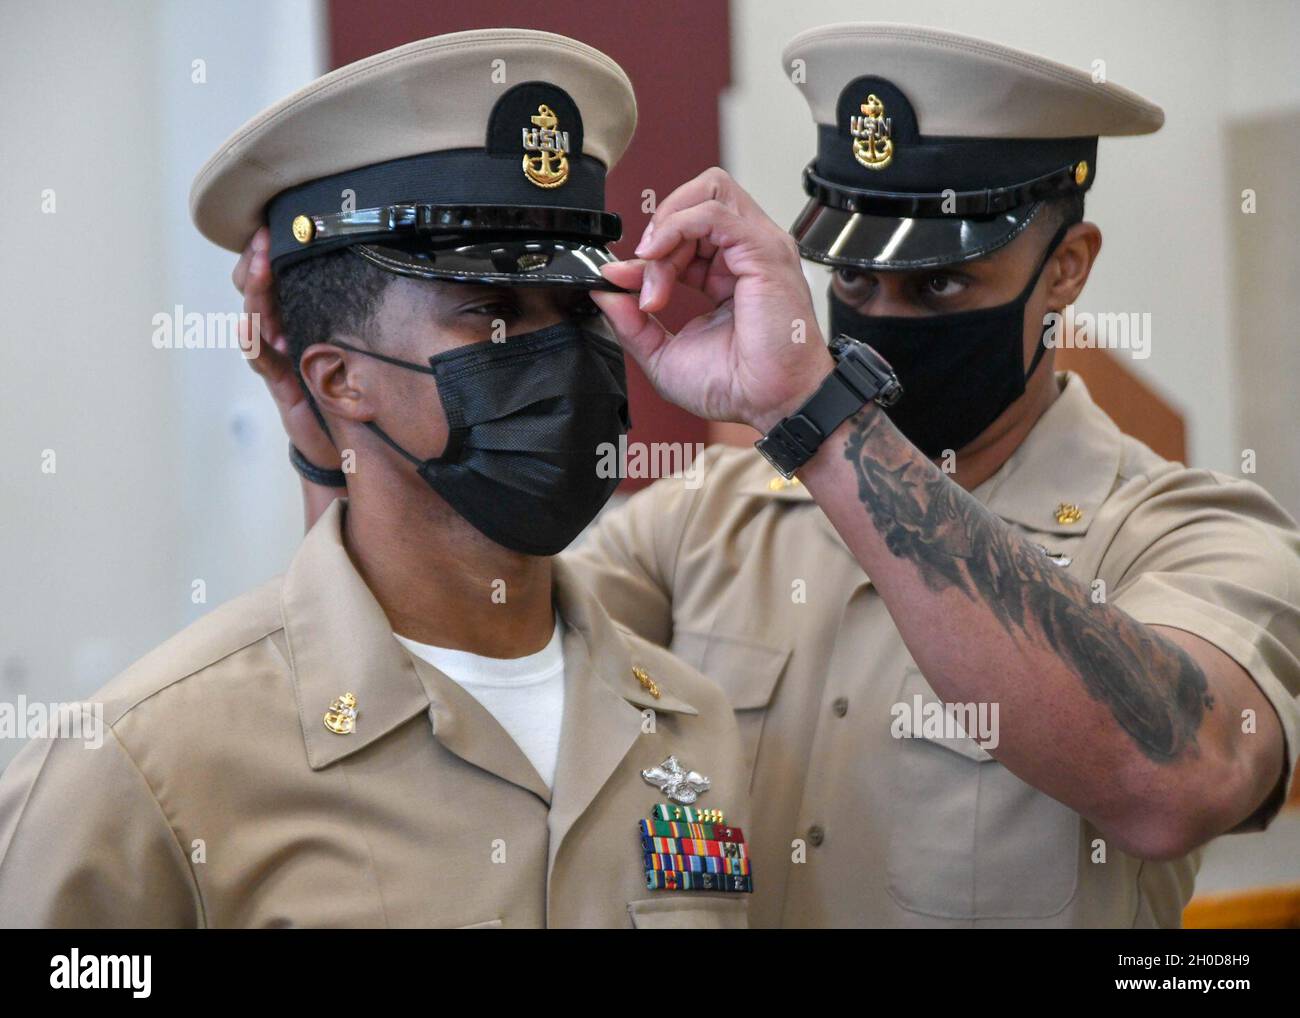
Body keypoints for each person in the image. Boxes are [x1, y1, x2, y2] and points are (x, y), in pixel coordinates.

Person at [236, 24, 1300, 928]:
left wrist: (814, 417)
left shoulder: (1192, 531)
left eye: (936, 285)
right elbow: (443, 650)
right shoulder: (714, 518)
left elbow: (1180, 779)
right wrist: (338, 429)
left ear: (1065, 267)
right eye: (856, 280)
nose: (881, 320)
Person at [0, 29, 753, 929]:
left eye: (578, 308)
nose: (556, 353)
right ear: (337, 377)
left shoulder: (691, 726)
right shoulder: (145, 765)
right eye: (495, 312)